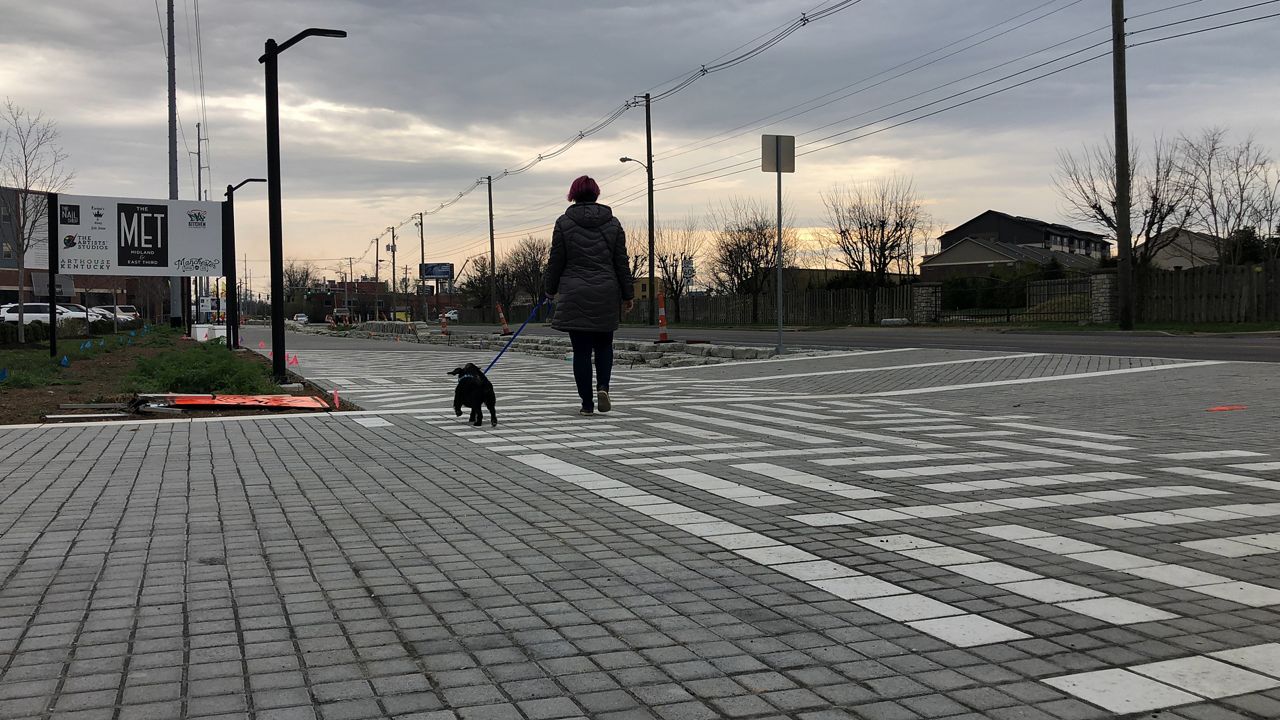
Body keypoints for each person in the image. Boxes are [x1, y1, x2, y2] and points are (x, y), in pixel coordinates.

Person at [543, 175, 635, 415]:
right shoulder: (613, 224)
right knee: (605, 346)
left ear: (573, 195)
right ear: (596, 194)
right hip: (606, 290)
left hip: (575, 292)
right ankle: (603, 387)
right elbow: (621, 262)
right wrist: (628, 294)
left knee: (581, 351)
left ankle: (586, 404)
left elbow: (556, 261)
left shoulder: (563, 223)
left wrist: (549, 289)